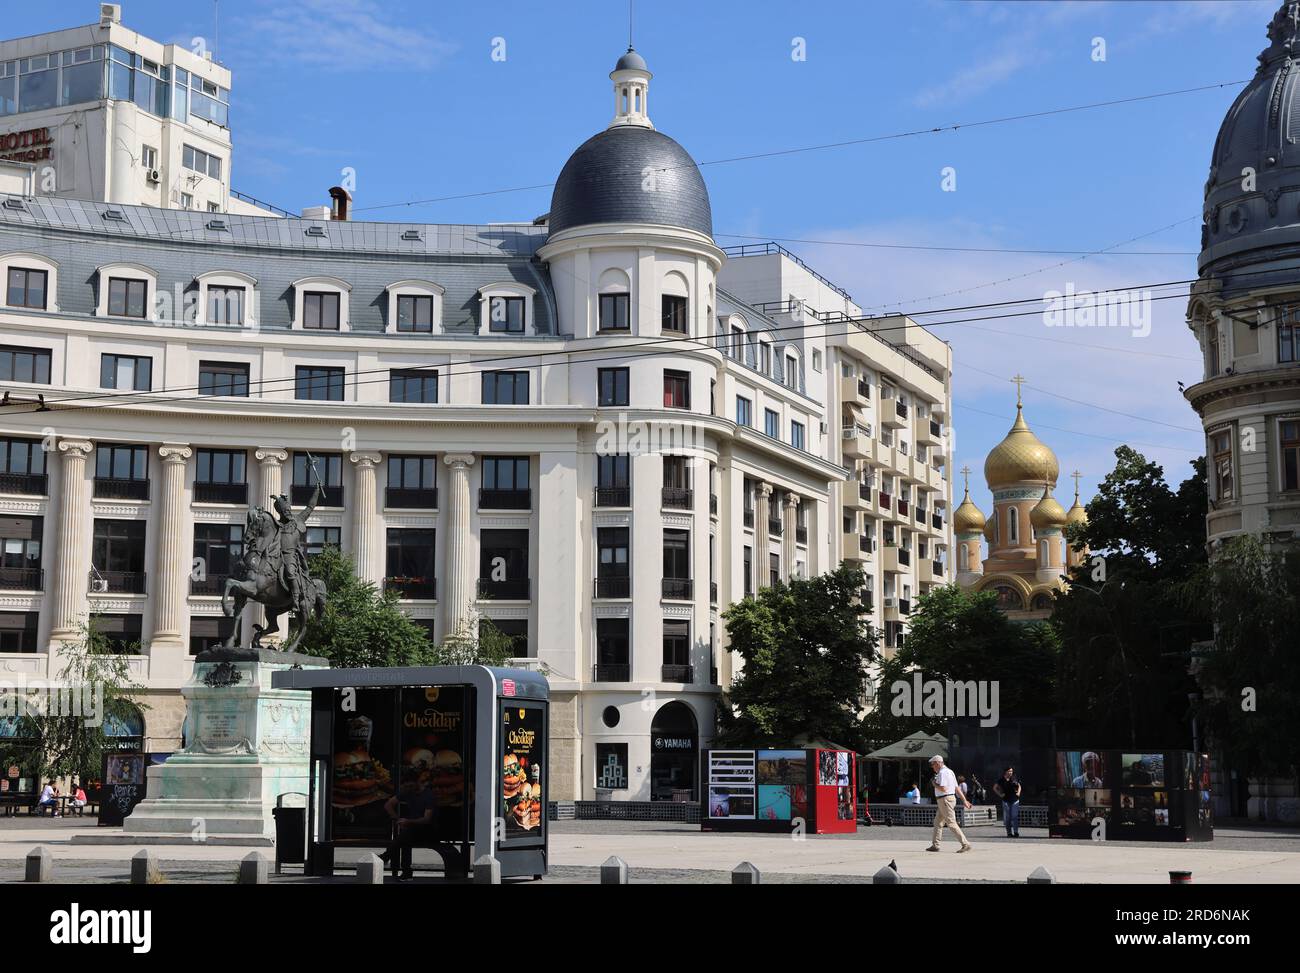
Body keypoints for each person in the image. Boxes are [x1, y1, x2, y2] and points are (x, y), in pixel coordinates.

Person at [383, 780, 438, 881]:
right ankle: (406, 872)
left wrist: (408, 821)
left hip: (428, 830)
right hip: (411, 830)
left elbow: (426, 819)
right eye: (406, 786)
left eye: (409, 785)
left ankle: (386, 857)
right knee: (406, 838)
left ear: (417, 783)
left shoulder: (428, 795)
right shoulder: (408, 791)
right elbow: (388, 805)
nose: (407, 788)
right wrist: (397, 819)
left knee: (406, 835)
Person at [926, 756, 972, 853]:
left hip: (944, 800)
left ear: (938, 763)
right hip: (947, 799)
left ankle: (965, 844)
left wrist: (934, 783)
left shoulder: (942, 773)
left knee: (951, 823)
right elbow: (956, 788)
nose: (932, 767)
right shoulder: (950, 771)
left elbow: (943, 788)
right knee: (938, 822)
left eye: (933, 764)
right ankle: (935, 845)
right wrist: (964, 800)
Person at [993, 766, 1022, 837]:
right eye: (1009, 771)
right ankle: (1009, 833)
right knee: (1008, 817)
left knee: (1014, 816)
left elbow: (1019, 786)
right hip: (1006, 800)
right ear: (1005, 772)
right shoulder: (1001, 780)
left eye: (1011, 771)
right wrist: (1000, 795)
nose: (1011, 772)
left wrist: (1018, 793)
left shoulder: (1014, 778)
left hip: (1015, 800)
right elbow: (994, 788)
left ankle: (1016, 832)